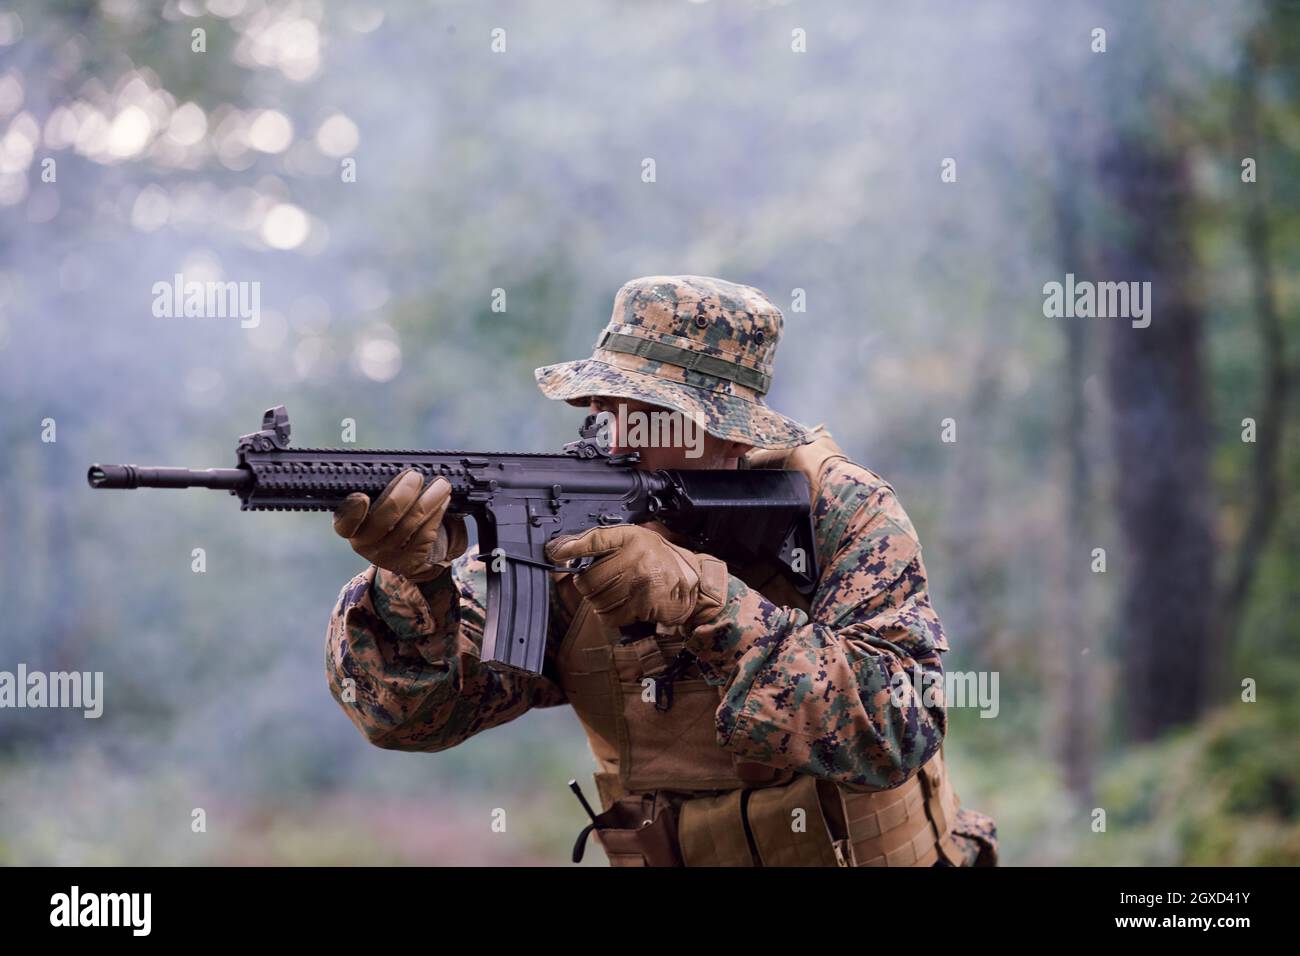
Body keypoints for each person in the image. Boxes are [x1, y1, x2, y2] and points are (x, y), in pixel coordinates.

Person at [325, 275, 998, 866]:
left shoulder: (836, 509)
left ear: (736, 434)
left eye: (655, 416)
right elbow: (413, 719)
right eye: (612, 409)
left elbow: (896, 726)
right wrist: (412, 586)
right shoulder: (567, 519)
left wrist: (706, 603)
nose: (625, 437)